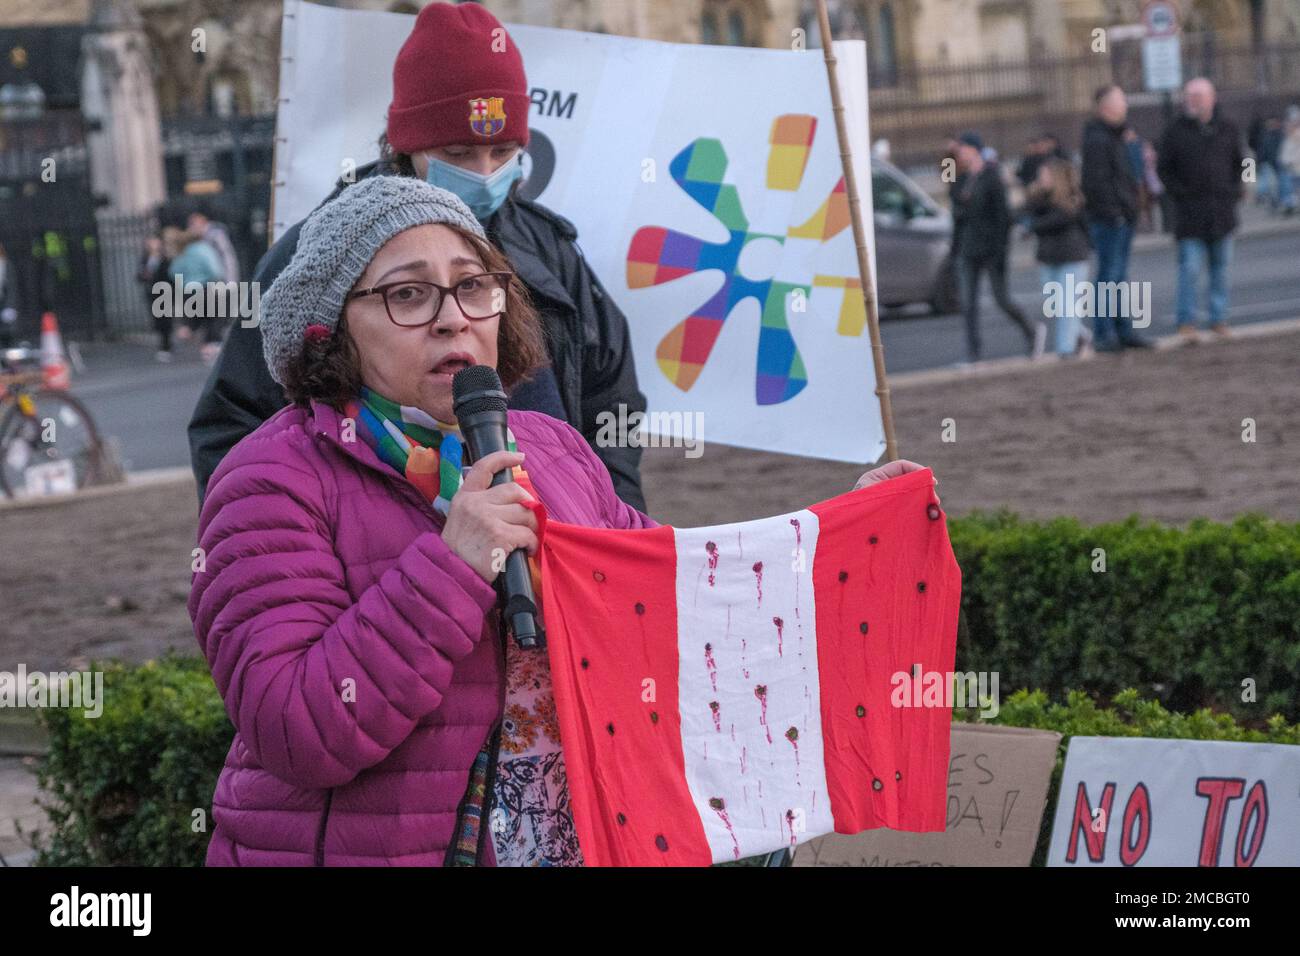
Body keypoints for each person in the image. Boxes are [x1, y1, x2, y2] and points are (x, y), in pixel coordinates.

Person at [187, 175, 933, 866]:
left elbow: (675, 605)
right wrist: (452, 567)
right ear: (331, 331)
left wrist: (843, 538)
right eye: (408, 296)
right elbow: (297, 728)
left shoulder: (551, 448)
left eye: (474, 286)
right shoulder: (270, 481)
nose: (453, 319)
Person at [187, 1, 648, 512]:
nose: (483, 171)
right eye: (456, 154)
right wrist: (298, 539)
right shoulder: (323, 251)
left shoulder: (548, 247)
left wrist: (608, 513)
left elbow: (612, 393)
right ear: (406, 145)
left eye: (502, 152)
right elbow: (232, 421)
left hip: (560, 548)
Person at [1157, 78, 1245, 343]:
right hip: (1190, 215)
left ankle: (1219, 318)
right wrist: (1179, 193)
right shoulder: (1175, 130)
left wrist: (1237, 189)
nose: (1193, 101)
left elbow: (1242, 161)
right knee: (1190, 270)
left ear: (1212, 98)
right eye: (1190, 96)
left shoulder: (1227, 128)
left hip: (1222, 211)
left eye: (1199, 96)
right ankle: (1187, 322)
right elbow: (1164, 169)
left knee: (1221, 269)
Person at [950, 131, 1044, 364]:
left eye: (962, 148)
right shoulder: (960, 178)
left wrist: (1000, 249)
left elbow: (1003, 217)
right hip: (967, 249)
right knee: (968, 303)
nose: (958, 153)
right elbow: (954, 205)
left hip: (991, 249)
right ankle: (973, 352)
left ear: (974, 149)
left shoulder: (991, 177)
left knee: (1002, 299)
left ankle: (1032, 331)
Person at [1080, 85, 1150, 351]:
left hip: (1122, 214)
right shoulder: (1098, 139)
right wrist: (1116, 211)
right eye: (1121, 101)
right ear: (1106, 107)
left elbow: (1135, 172)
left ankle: (1123, 330)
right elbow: (1097, 183)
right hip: (1111, 218)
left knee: (1118, 277)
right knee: (1108, 277)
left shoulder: (1120, 137)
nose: (1126, 106)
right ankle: (1104, 333)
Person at [1026, 158, 1092, 359]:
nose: (1041, 179)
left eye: (1045, 175)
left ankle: (1066, 348)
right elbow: (1026, 216)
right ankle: (1081, 335)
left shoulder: (1072, 201)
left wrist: (1033, 224)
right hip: (1048, 258)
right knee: (1055, 305)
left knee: (1069, 305)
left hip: (1072, 256)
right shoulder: (1038, 199)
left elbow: (1056, 220)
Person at [165, 225, 226, 363]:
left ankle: (187, 330)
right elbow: (215, 270)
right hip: (207, 288)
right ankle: (209, 348)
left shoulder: (183, 253)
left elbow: (173, 272)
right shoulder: (205, 249)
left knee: (197, 317)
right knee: (214, 318)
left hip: (189, 291)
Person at [137, 234, 173, 361]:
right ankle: (164, 343)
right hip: (152, 292)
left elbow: (170, 274)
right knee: (157, 319)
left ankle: (166, 346)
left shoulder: (165, 258)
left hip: (165, 291)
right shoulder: (145, 258)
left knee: (165, 319)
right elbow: (139, 276)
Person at [187, 206, 240, 286]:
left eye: (193, 224)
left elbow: (228, 256)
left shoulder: (216, 234)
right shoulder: (201, 238)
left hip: (222, 279)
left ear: (202, 221)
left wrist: (231, 281)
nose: (191, 228)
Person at [0, 243, 18, 349]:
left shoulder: (6, 265)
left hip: (4, 304)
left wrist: (10, 306)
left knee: (6, 334)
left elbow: (11, 288)